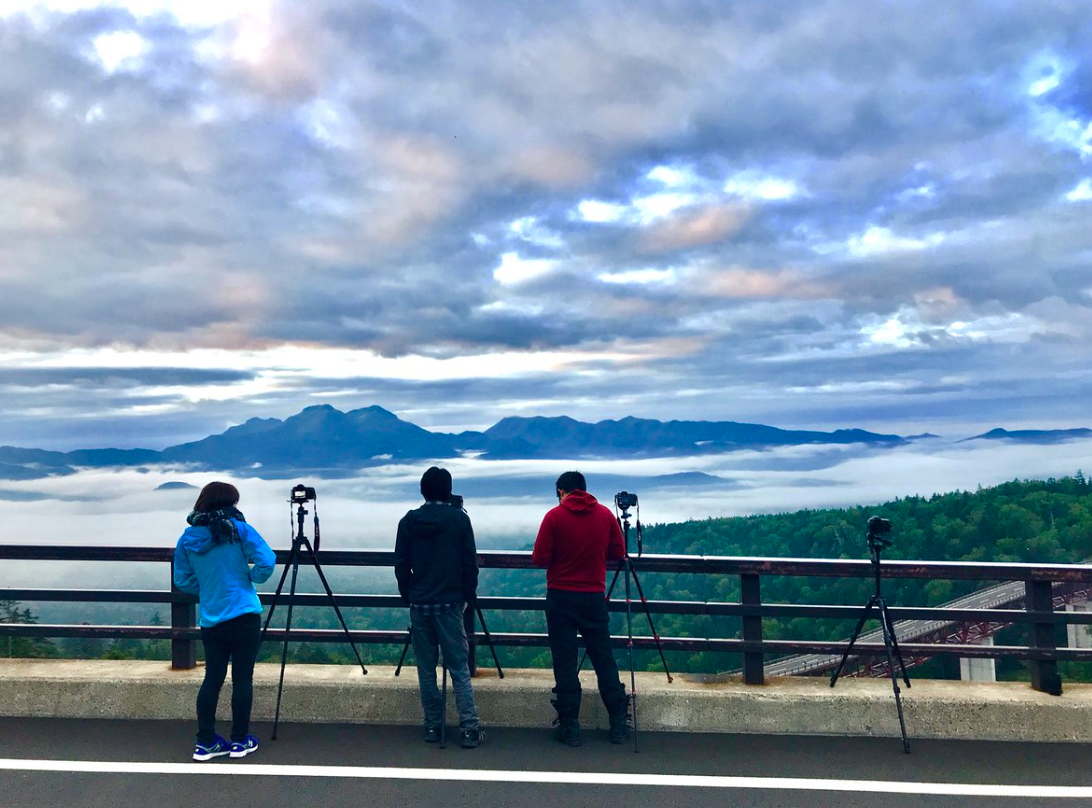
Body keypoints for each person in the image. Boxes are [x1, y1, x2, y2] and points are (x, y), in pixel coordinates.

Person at [173, 481, 276, 761]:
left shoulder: (187, 538)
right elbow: (267, 560)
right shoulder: (238, 529)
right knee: (243, 679)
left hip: (212, 619)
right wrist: (249, 580)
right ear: (229, 504)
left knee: (213, 679)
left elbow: (181, 580)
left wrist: (208, 589)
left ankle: (205, 742)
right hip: (243, 614)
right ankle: (240, 741)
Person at [532, 471, 630, 746]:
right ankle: (619, 724)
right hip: (593, 597)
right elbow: (618, 552)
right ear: (585, 490)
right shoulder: (604, 515)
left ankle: (570, 727)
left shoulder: (554, 517)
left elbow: (539, 558)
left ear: (562, 491)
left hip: (561, 598)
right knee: (603, 659)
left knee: (564, 662)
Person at [395, 466, 485, 748]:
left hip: (420, 604)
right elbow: (470, 563)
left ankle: (433, 726)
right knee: (458, 668)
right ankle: (469, 729)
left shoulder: (408, 522)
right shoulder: (458, 520)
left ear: (422, 490)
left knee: (426, 669)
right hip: (449, 604)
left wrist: (408, 595)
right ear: (448, 491)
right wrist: (466, 597)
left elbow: (401, 565)